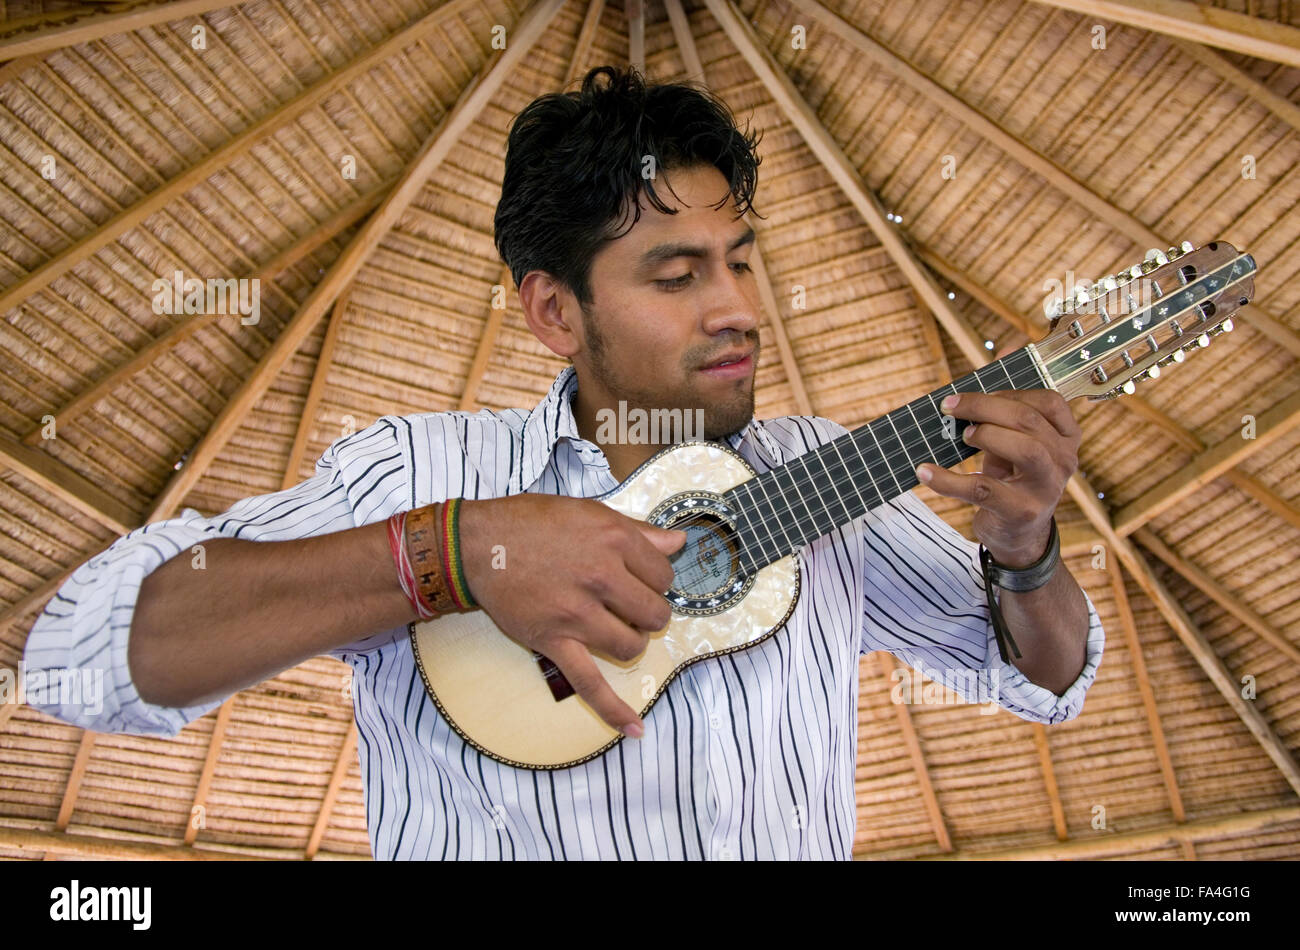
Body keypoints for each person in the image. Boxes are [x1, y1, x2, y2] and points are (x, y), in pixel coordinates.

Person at [23, 65, 1103, 860]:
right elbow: (81, 652)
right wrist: (450, 550)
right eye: (676, 274)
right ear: (553, 309)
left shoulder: (825, 474)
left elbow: (1046, 680)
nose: (736, 310)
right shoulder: (422, 467)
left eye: (739, 262)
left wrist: (1022, 549)